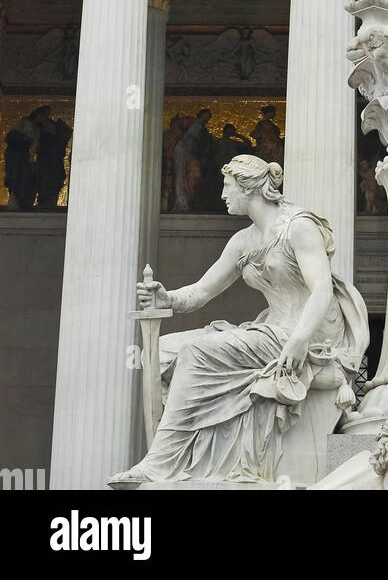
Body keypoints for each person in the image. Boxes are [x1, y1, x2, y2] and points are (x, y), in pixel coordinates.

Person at [109, 155, 368, 487]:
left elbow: (322, 290)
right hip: (267, 332)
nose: (222, 195)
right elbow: (202, 292)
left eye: (228, 186)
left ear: (249, 187)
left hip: (301, 335)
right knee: (162, 351)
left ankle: (159, 462)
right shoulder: (243, 241)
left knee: (197, 354)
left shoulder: (299, 227)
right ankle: (191, 461)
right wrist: (165, 298)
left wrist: (299, 340)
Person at [33, 107, 72, 208]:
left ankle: (48, 202)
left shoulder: (55, 129)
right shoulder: (41, 131)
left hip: (53, 162)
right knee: (43, 181)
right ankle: (44, 201)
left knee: (52, 181)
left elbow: (63, 136)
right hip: (44, 162)